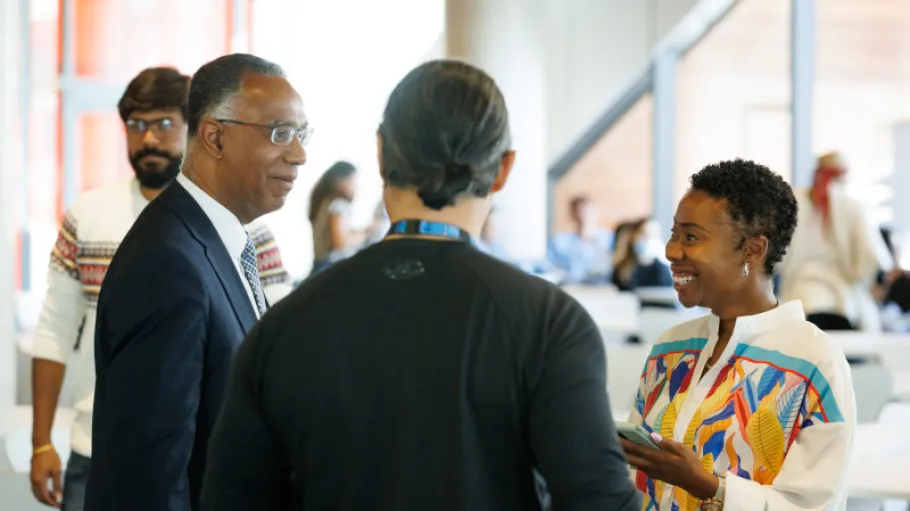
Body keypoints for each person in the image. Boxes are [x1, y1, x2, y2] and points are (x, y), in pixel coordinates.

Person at [201, 59, 640, 511]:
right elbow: (599, 501)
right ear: (504, 168)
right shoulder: (548, 322)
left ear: (381, 155)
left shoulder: (285, 323)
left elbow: (231, 498)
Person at [28, 66, 291, 511]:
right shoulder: (89, 214)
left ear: (199, 130)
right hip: (98, 445)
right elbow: (54, 330)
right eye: (137, 124)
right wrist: (40, 443)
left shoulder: (245, 229)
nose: (149, 138)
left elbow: (278, 337)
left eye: (164, 123)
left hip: (206, 455)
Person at [622, 159, 855, 511]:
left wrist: (707, 485)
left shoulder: (814, 362)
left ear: (753, 250)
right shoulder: (671, 348)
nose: (672, 251)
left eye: (691, 237)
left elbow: (813, 505)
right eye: (673, 234)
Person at [777, 152, 893, 332]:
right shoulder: (793, 203)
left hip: (843, 291)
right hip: (800, 287)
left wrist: (862, 279)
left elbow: (869, 254)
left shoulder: (851, 207)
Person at [308, 160, 364, 274]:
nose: (355, 186)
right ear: (339, 181)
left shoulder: (324, 203)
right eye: (352, 181)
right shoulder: (339, 205)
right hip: (332, 268)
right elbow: (340, 243)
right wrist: (364, 235)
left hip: (318, 266)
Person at [548, 195, 613, 284]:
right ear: (572, 214)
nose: (584, 215)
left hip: (602, 289)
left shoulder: (609, 239)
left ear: (595, 212)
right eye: (579, 211)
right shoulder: (560, 242)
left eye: (588, 211)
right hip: (569, 288)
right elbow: (549, 266)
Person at [611, 217, 672, 294]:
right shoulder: (623, 269)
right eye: (646, 235)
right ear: (634, 236)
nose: (650, 240)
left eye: (655, 236)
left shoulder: (661, 269)